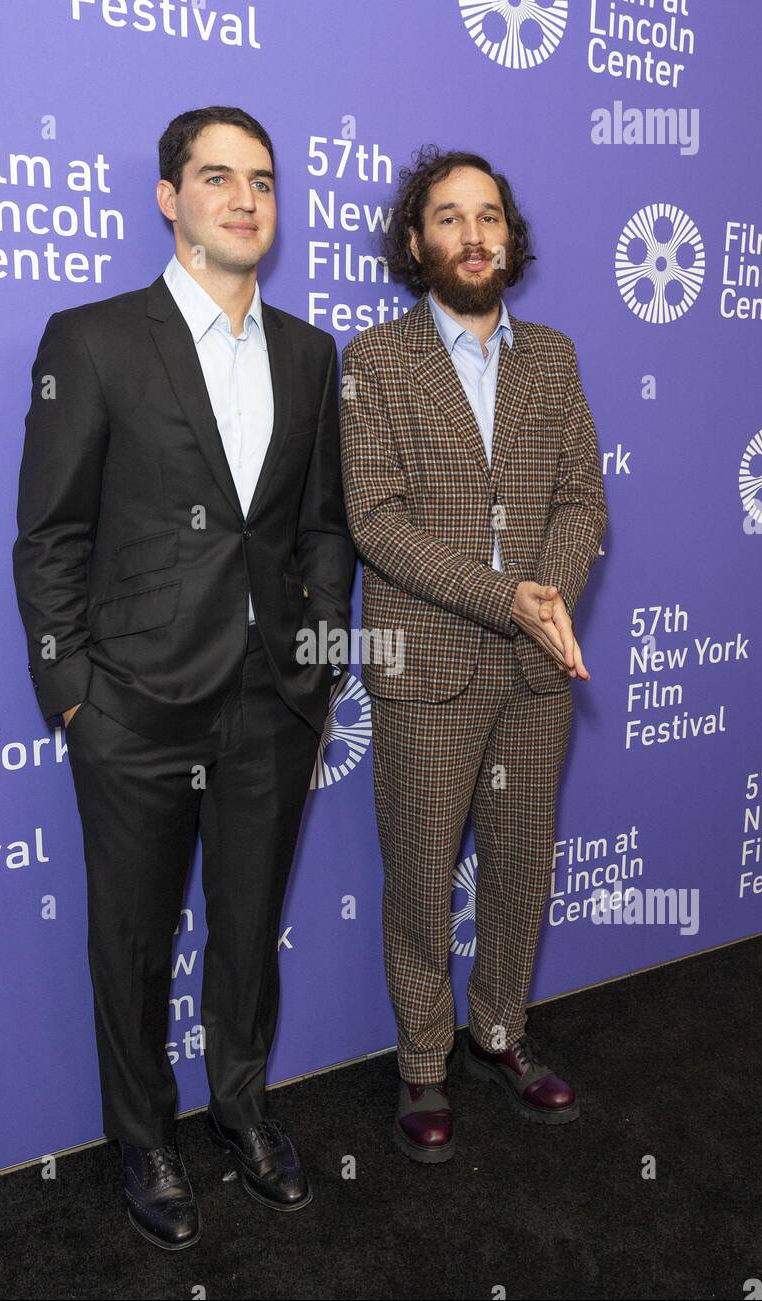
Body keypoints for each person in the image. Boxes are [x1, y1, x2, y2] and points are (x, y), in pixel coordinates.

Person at [13, 106, 355, 1246]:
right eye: (217, 178)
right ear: (170, 197)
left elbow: (319, 527)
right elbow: (50, 534)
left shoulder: (311, 355)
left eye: (261, 179)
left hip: (271, 699)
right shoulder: (94, 340)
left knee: (249, 928)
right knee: (133, 937)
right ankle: (145, 1138)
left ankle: (243, 1111)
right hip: (134, 706)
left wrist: (317, 657)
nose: (244, 198)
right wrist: (73, 692)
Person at [340, 146, 608, 1164]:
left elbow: (583, 497)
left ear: (508, 236)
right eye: (447, 217)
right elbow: (374, 518)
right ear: (417, 242)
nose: (472, 234)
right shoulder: (375, 359)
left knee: (517, 864)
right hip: (429, 663)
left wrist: (545, 595)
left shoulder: (554, 356)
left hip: (535, 667)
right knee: (418, 871)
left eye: (487, 215)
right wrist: (510, 597)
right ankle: (421, 1061)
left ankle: (498, 1032)